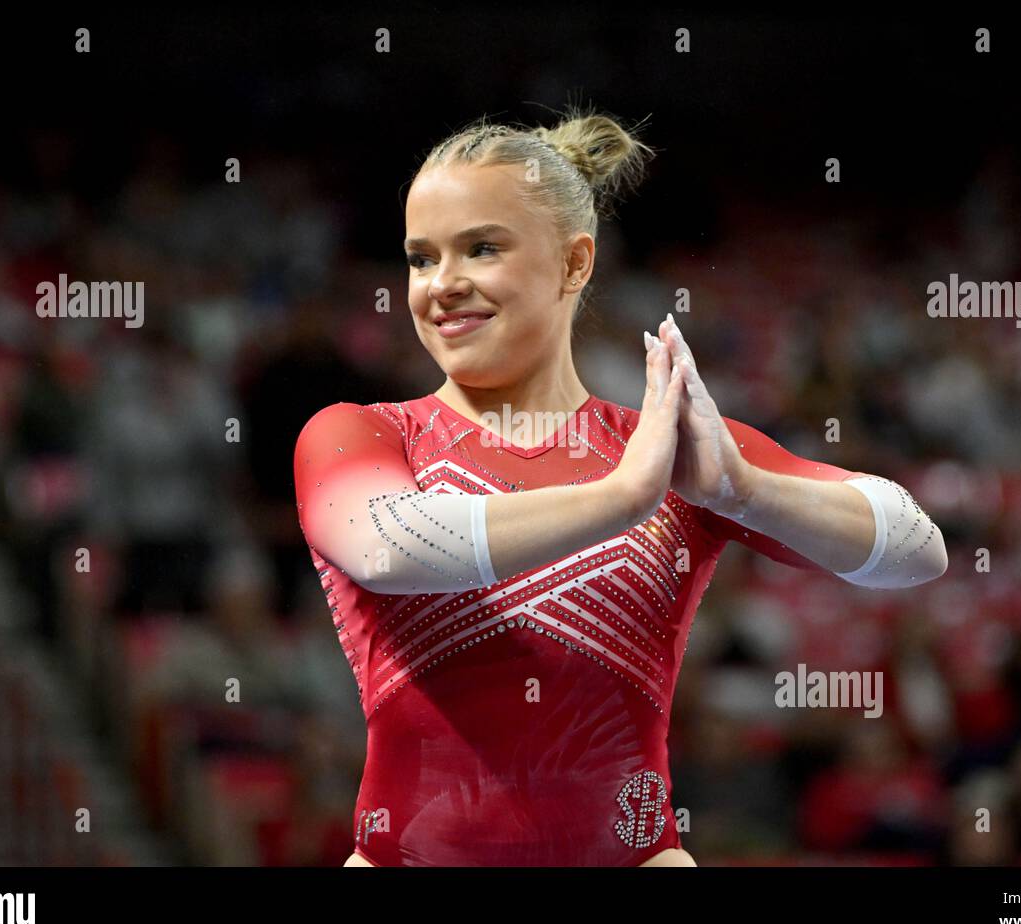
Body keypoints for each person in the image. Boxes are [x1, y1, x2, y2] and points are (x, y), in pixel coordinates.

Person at [293, 107, 948, 866]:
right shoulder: (362, 433)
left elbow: (916, 548)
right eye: (419, 257)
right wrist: (621, 498)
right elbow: (385, 547)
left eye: (481, 249)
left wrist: (740, 490)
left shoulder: (672, 454)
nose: (442, 285)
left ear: (575, 263)